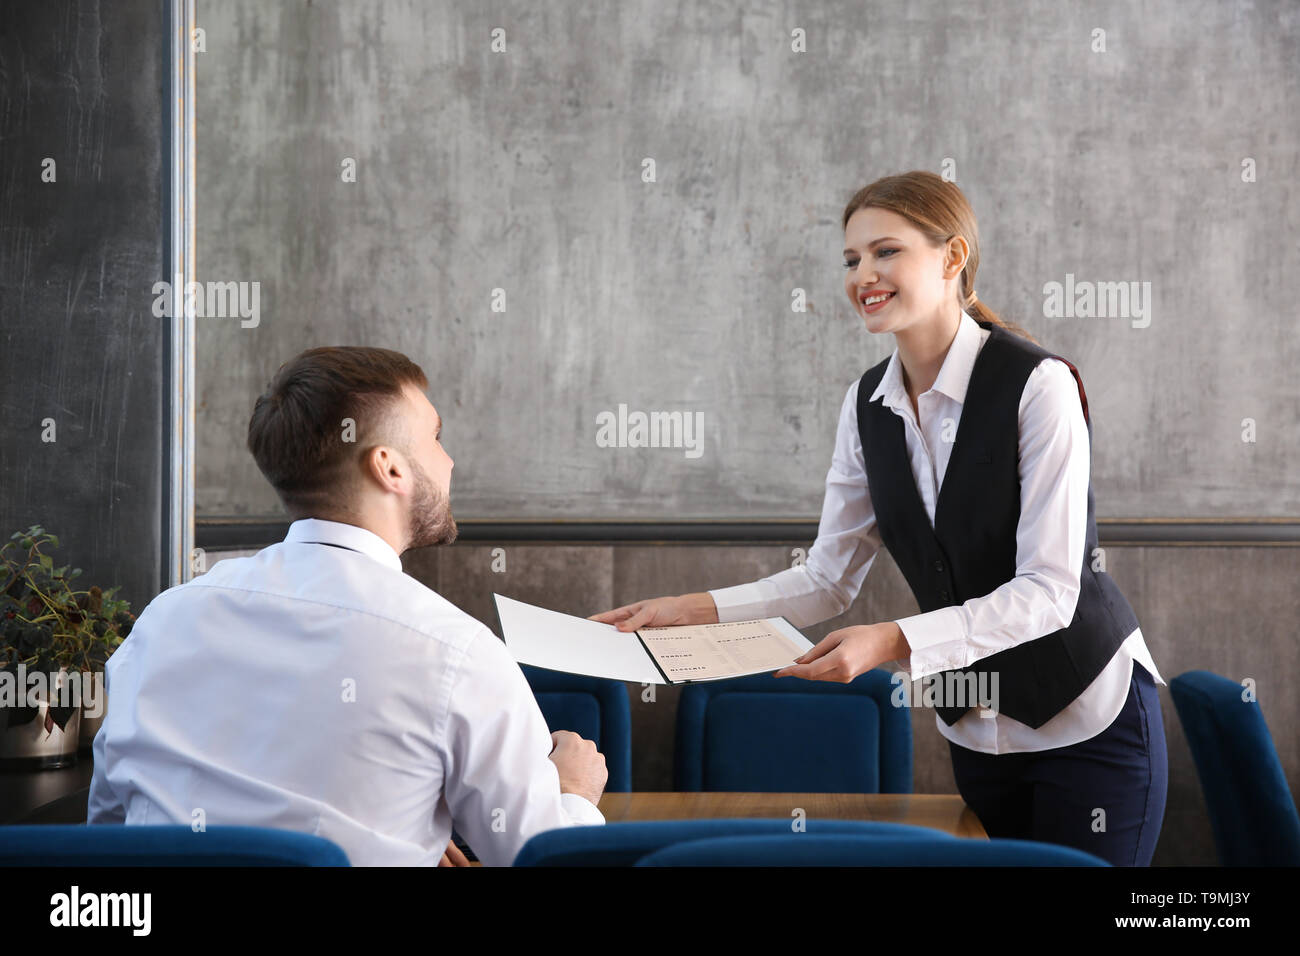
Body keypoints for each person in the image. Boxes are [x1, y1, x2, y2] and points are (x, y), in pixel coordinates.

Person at [593, 170, 1168, 867]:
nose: (863, 273)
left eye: (886, 251)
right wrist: (689, 608)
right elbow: (827, 579)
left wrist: (893, 638)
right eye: (851, 259)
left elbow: (1049, 591)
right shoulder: (865, 404)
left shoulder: (1038, 386)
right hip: (976, 731)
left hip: (1089, 719)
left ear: (953, 258)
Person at [88, 346, 608, 866]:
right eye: (436, 438)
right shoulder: (458, 654)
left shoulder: (162, 620)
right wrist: (574, 796)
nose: (450, 461)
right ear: (390, 468)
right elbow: (544, 860)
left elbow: (108, 837)